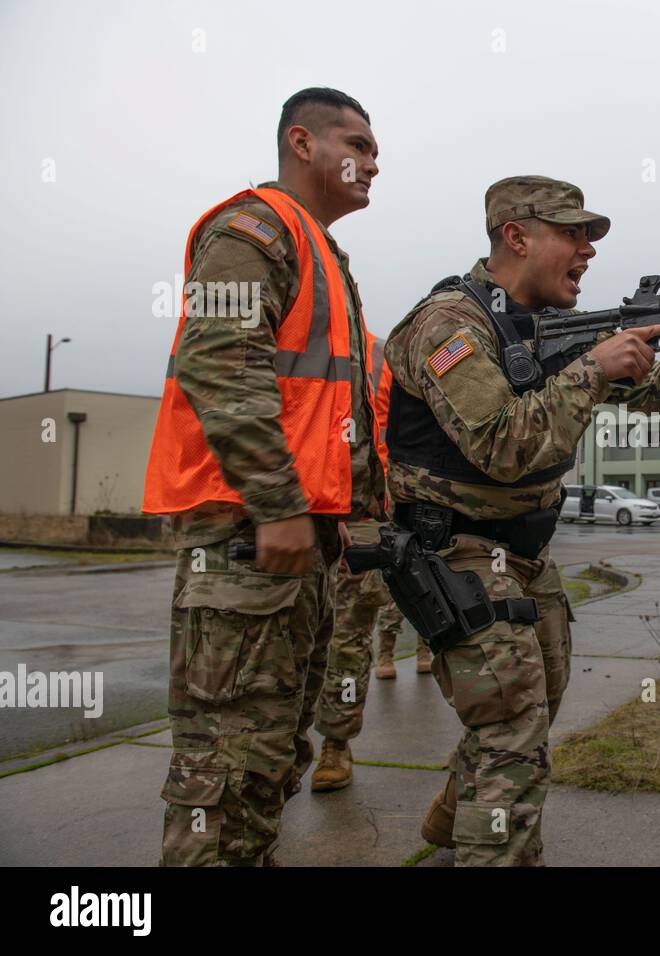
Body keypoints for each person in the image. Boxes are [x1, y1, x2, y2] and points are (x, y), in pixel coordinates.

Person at [383, 174, 660, 865]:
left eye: (590, 237)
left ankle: (452, 820)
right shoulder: (448, 325)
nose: (587, 251)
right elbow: (502, 444)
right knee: (511, 734)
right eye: (572, 234)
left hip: (524, 554)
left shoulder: (553, 330)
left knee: (535, 708)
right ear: (516, 236)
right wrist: (592, 368)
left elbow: (654, 390)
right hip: (455, 552)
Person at [142, 87, 386, 865]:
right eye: (359, 143)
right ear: (302, 142)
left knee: (269, 758)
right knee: (223, 765)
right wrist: (280, 504)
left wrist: (337, 517)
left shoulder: (323, 251)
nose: (373, 163)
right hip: (247, 540)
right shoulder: (252, 228)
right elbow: (221, 362)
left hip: (297, 544)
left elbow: (323, 411)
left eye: (377, 149)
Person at [311, 333, 430, 792]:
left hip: (370, 509)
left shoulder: (386, 352)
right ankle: (276, 750)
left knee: (348, 630)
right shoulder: (307, 343)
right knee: (297, 636)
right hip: (302, 502)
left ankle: (336, 742)